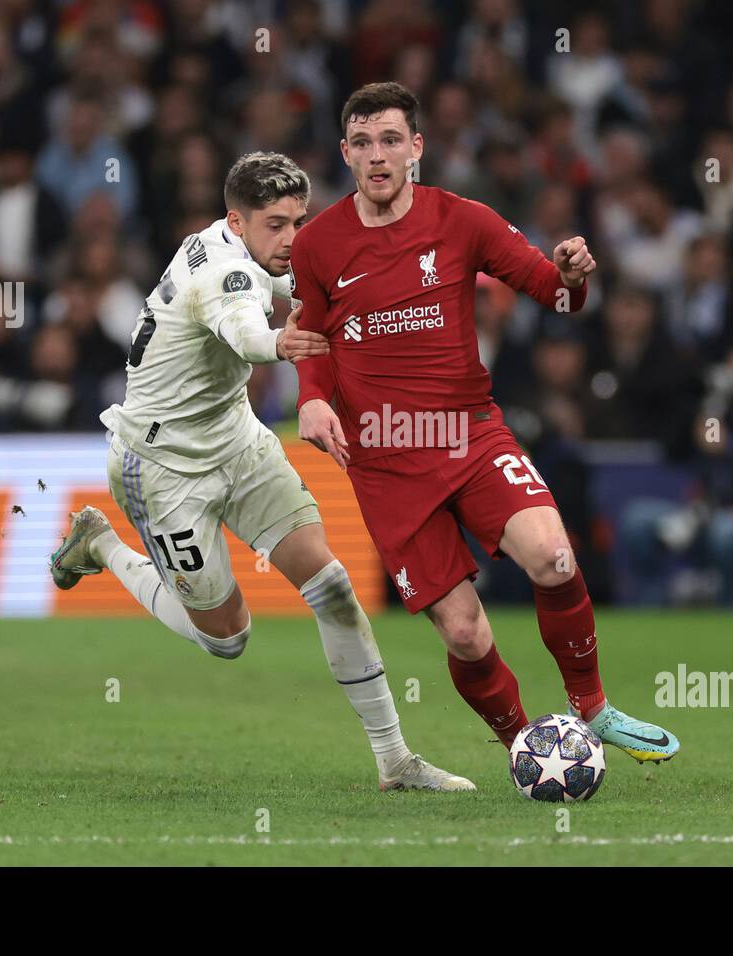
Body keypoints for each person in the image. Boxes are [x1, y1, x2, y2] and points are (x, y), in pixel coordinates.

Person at [49, 151, 472, 792]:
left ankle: (396, 761)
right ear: (236, 222)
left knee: (330, 585)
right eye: (275, 224)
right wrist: (284, 342)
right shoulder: (220, 273)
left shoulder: (230, 247)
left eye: (299, 221)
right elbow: (248, 330)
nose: (291, 238)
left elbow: (298, 287)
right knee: (227, 640)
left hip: (239, 445)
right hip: (163, 470)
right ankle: (101, 542)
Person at [293, 82, 679, 763]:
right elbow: (313, 339)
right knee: (466, 634)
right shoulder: (319, 244)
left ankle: (592, 705)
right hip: (385, 460)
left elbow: (555, 295)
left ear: (417, 147)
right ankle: (528, 746)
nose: (376, 156)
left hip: (470, 433)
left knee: (554, 557)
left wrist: (571, 274)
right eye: (362, 142)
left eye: (390, 140)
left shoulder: (463, 220)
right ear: (345, 152)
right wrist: (312, 398)